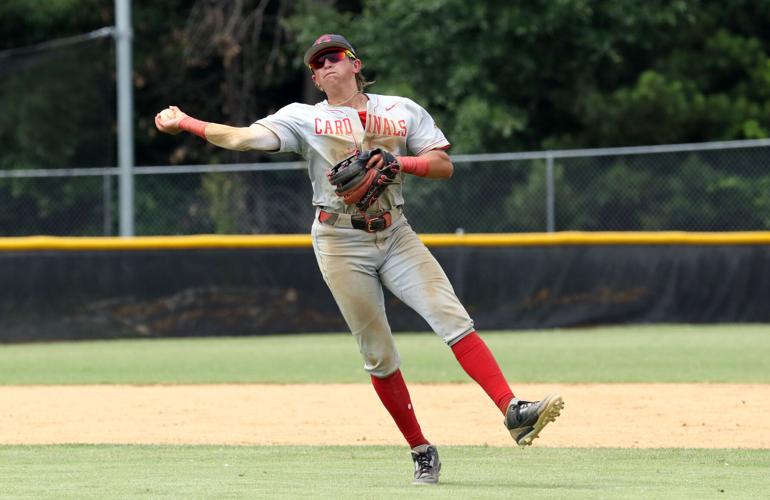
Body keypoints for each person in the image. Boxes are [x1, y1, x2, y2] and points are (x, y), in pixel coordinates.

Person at [155, 34, 563, 486]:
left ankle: (512, 409)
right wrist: (187, 123)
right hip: (338, 238)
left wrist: (398, 163)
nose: (326, 65)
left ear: (354, 63)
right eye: (317, 63)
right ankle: (421, 449)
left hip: (395, 231)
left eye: (334, 57)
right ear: (314, 78)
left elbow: (443, 164)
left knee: (453, 318)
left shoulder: (400, 110)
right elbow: (243, 138)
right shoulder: (303, 117)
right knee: (378, 353)